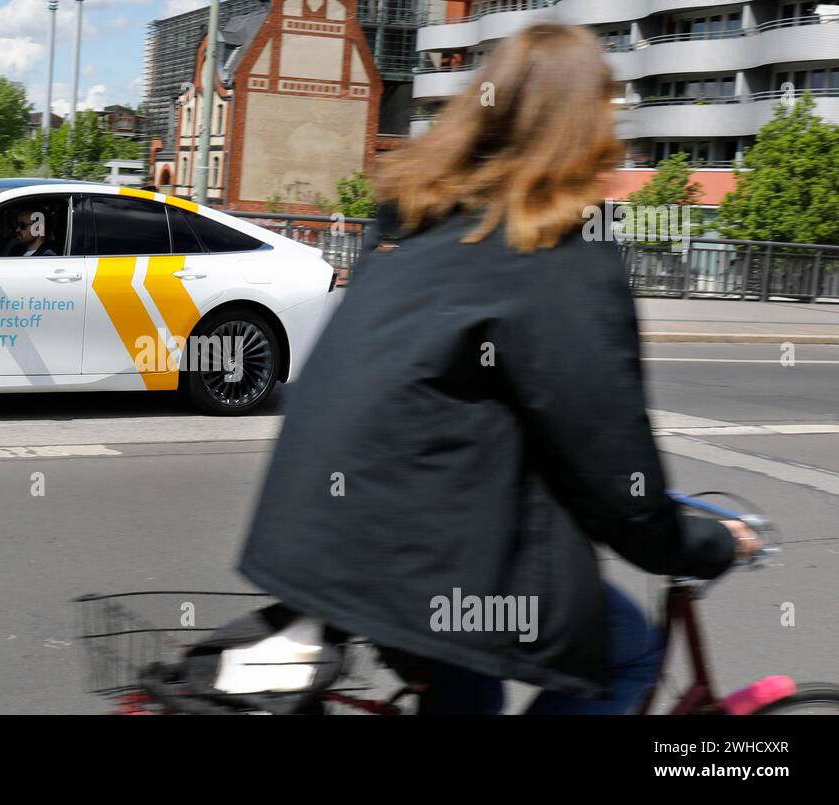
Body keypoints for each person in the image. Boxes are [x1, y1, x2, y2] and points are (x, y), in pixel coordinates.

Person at [236, 24, 761, 715]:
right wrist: (696, 543)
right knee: (626, 648)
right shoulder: (559, 247)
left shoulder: (416, 216)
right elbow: (606, 452)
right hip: (424, 561)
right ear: (586, 127)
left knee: (467, 682)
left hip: (316, 529)